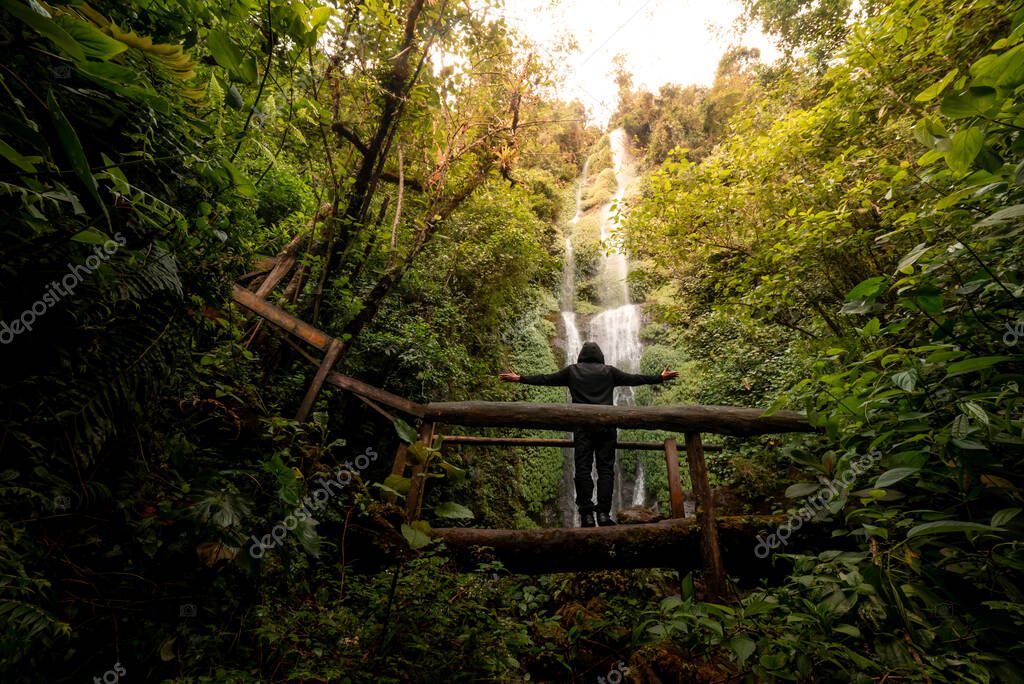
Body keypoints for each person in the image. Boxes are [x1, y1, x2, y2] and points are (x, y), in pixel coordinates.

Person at [499, 342, 678, 528]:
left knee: (583, 469)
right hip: (606, 427)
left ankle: (586, 516)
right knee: (606, 470)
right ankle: (602, 514)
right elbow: (634, 379)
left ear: (581, 355)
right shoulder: (609, 372)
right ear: (600, 355)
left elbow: (546, 379)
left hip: (582, 427)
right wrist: (659, 377)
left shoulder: (572, 371)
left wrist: (520, 378)